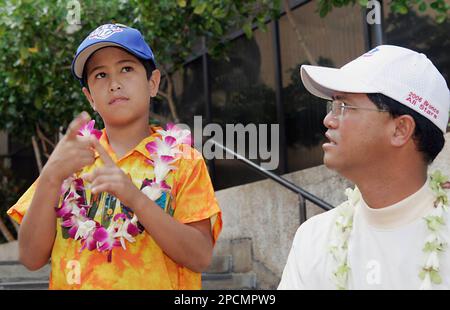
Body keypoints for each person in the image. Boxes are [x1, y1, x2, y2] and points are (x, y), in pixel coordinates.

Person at [7, 23, 222, 290]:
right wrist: (51, 176)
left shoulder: (184, 161)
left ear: (152, 82)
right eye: (100, 75)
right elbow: (30, 257)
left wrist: (134, 197)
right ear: (90, 98)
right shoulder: (70, 161)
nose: (114, 83)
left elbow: (200, 256)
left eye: (126, 68)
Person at [278, 45, 450, 289]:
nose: (328, 120)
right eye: (332, 106)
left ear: (400, 129)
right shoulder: (314, 239)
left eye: (344, 106)